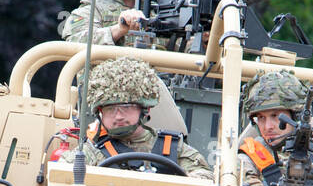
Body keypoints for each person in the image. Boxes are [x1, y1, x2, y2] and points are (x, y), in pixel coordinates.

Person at [73, 58, 212, 178]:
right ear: (100, 112)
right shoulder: (91, 151)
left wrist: (186, 180)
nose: (119, 116)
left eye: (126, 107)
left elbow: (204, 177)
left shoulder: (172, 147)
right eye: (110, 109)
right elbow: (62, 173)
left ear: (145, 109)